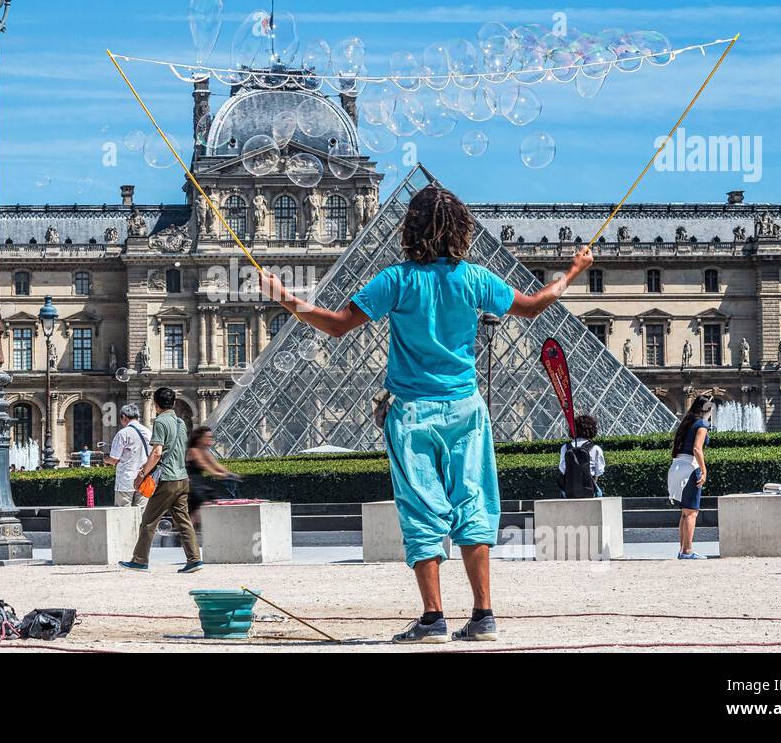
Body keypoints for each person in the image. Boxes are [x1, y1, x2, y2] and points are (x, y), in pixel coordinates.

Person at [261, 182, 593, 643]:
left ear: (410, 228)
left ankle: (433, 618)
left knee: (420, 509)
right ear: (461, 230)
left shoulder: (396, 279)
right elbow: (536, 306)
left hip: (412, 412)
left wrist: (284, 298)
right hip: (466, 408)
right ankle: (483, 616)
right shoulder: (475, 278)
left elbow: (336, 326)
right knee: (474, 503)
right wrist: (574, 270)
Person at [119, 387, 203, 573]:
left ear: (155, 405)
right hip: (182, 479)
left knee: (148, 521)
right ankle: (194, 559)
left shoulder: (160, 422)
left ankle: (140, 560)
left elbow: (157, 452)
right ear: (173, 403)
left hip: (167, 480)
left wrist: (142, 475)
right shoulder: (181, 423)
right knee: (183, 521)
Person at [667, 396, 713, 559]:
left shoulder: (686, 423)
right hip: (690, 468)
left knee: (685, 513)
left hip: (676, 467)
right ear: (707, 409)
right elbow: (697, 449)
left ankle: (682, 550)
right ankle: (688, 551)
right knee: (692, 512)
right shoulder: (702, 424)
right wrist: (704, 470)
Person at [186, 427, 239, 525]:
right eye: (207, 437)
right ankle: (186, 532)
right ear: (199, 439)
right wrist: (217, 474)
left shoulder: (205, 452)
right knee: (201, 505)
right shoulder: (193, 451)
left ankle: (187, 531)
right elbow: (204, 465)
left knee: (208, 503)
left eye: (211, 437)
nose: (210, 439)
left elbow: (216, 465)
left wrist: (230, 473)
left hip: (199, 484)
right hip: (190, 484)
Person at [105, 404, 152, 508]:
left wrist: (106, 460)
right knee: (141, 515)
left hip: (126, 481)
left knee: (123, 516)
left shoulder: (123, 433)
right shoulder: (148, 432)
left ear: (124, 417)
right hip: (144, 479)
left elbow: (114, 459)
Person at [558, 414, 605, 498]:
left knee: (562, 493)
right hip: (589, 489)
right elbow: (599, 471)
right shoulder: (595, 448)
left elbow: (562, 469)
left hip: (569, 489)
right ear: (592, 430)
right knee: (599, 494)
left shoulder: (565, 447)